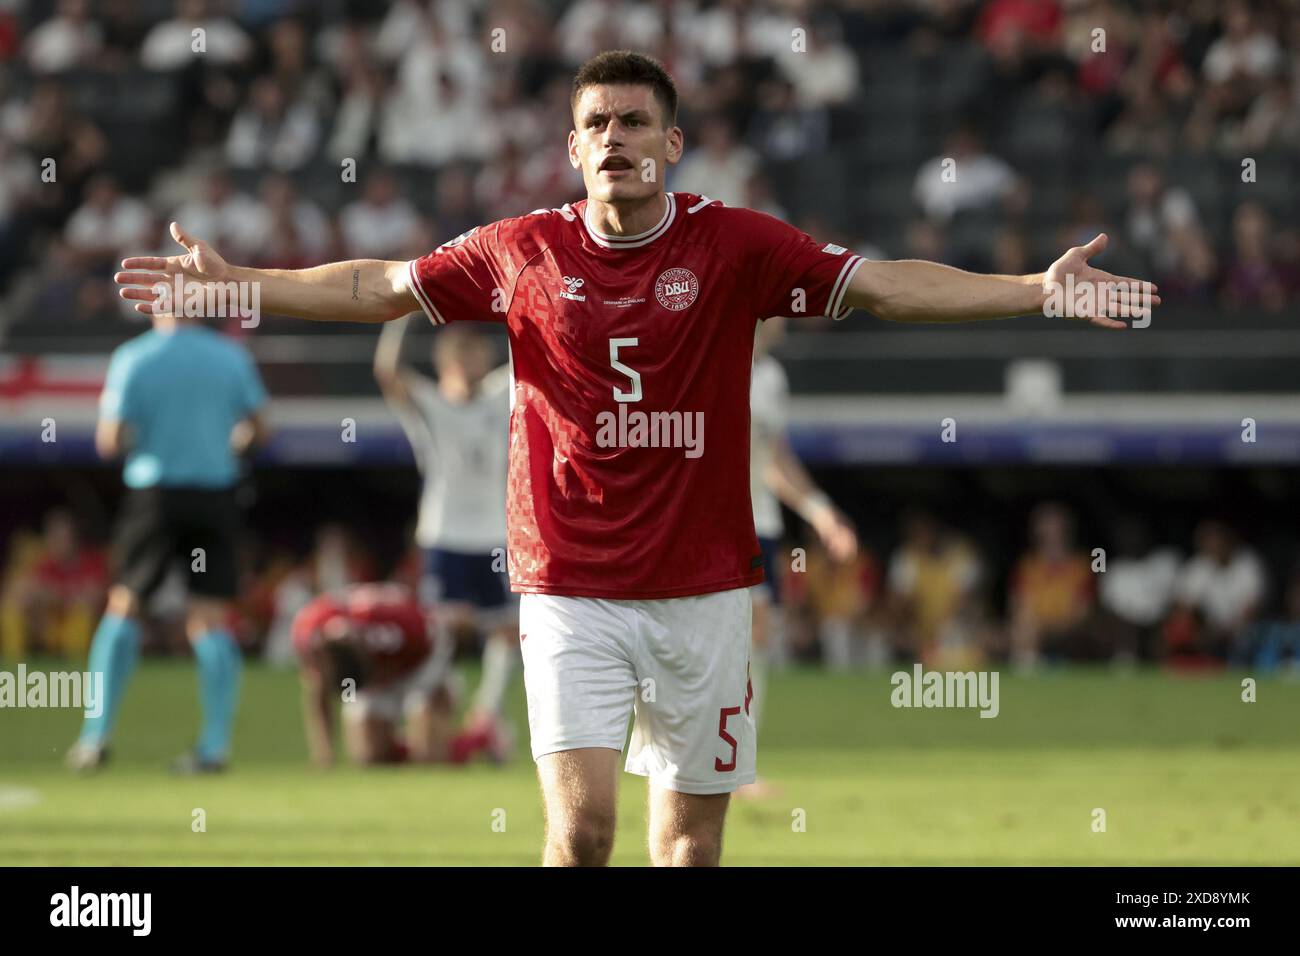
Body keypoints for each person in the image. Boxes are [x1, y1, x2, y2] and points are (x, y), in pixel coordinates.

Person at [114, 51, 1158, 865]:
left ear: (672, 143)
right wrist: (238, 281)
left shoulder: (737, 244)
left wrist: (1031, 288)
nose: (615, 137)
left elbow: (885, 284)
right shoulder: (519, 249)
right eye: (596, 124)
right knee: (581, 837)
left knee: (690, 846)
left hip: (704, 593)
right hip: (570, 587)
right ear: (573, 149)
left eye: (634, 122)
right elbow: (375, 286)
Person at [65, 307, 268, 773]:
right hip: (215, 493)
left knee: (126, 606)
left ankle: (95, 738)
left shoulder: (135, 357)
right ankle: (215, 746)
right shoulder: (230, 357)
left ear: (157, 307)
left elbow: (110, 440)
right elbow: (260, 428)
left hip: (155, 495)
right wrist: (226, 445)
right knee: (210, 619)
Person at [373, 317, 516, 760]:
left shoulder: (500, 393)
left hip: (496, 533)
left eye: (478, 352)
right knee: (442, 634)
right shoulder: (430, 403)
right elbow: (387, 372)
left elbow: (541, 350)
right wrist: (400, 315)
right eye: (463, 353)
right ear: (445, 361)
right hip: (444, 535)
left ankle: (485, 718)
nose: (473, 361)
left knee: (510, 631)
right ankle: (428, 721)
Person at [742, 314, 856, 798]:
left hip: (759, 521)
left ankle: (735, 762)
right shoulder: (704, 360)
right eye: (775, 313)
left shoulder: (770, 378)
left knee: (756, 635)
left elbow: (774, 458)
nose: (784, 321)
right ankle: (680, 757)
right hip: (705, 524)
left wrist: (820, 511)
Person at [292, 581, 499, 766]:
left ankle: (483, 735)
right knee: (370, 756)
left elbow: (452, 630)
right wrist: (324, 754)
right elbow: (317, 688)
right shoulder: (308, 629)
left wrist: (439, 695)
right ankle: (408, 746)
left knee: (431, 754)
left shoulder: (400, 627)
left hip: (420, 664)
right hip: (375, 669)